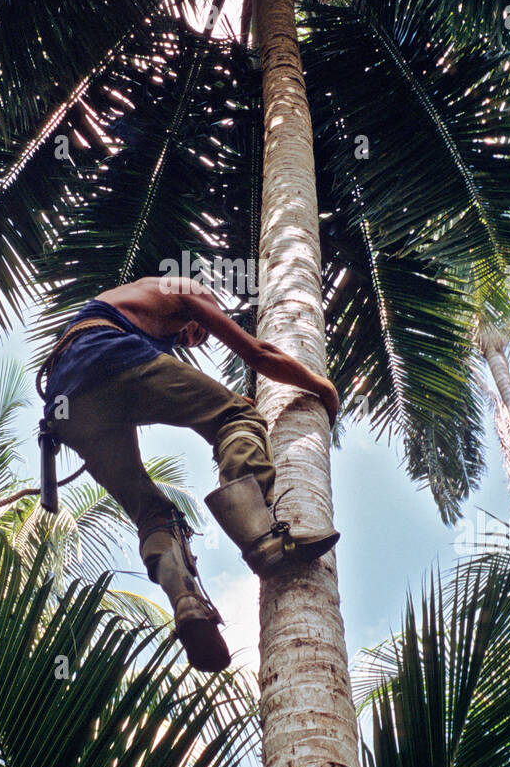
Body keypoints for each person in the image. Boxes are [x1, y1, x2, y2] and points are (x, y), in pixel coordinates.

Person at [36, 275, 340, 672]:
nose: (187, 338)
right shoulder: (182, 289)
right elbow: (259, 354)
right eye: (193, 334)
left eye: (190, 340)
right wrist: (321, 386)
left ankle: (186, 603)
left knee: (153, 514)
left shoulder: (124, 305)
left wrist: (218, 402)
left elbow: (155, 394)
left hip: (67, 399)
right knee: (238, 417)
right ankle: (262, 538)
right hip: (108, 356)